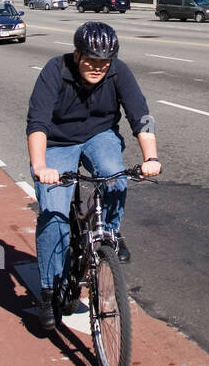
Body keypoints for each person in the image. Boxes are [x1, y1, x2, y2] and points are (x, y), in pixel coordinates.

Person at [26, 20, 161, 331]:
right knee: (54, 213)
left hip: (99, 135)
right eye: (90, 60)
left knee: (115, 174)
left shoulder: (118, 72)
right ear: (77, 55)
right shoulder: (54, 71)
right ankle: (47, 292)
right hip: (58, 142)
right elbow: (37, 123)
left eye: (104, 61)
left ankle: (110, 233)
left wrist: (151, 158)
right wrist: (39, 166)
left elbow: (140, 116)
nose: (97, 67)